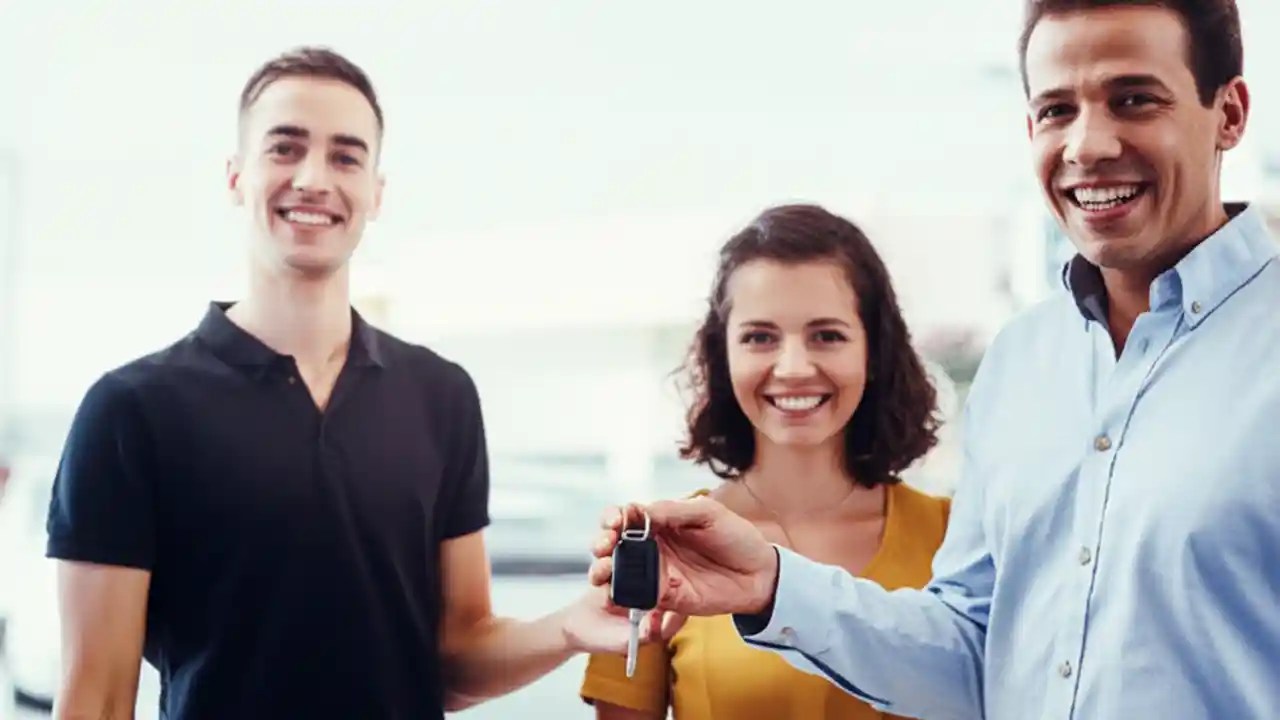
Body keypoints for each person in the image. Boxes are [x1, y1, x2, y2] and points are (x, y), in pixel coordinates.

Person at [589, 1, 1280, 718]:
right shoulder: (1023, 361)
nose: (1088, 145)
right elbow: (973, 656)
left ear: (1229, 114)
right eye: (1055, 110)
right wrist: (770, 584)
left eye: (1134, 100)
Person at [45, 46, 638, 720]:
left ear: (376, 193)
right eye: (285, 149)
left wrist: (567, 626)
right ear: (236, 176)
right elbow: (95, 699)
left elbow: (456, 654)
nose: (313, 178)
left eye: (346, 157)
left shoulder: (440, 396)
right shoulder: (131, 412)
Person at [580, 204, 952, 719]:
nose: (794, 367)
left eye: (827, 335)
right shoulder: (664, 553)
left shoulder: (957, 538)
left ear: (874, 352)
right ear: (722, 355)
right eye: (760, 337)